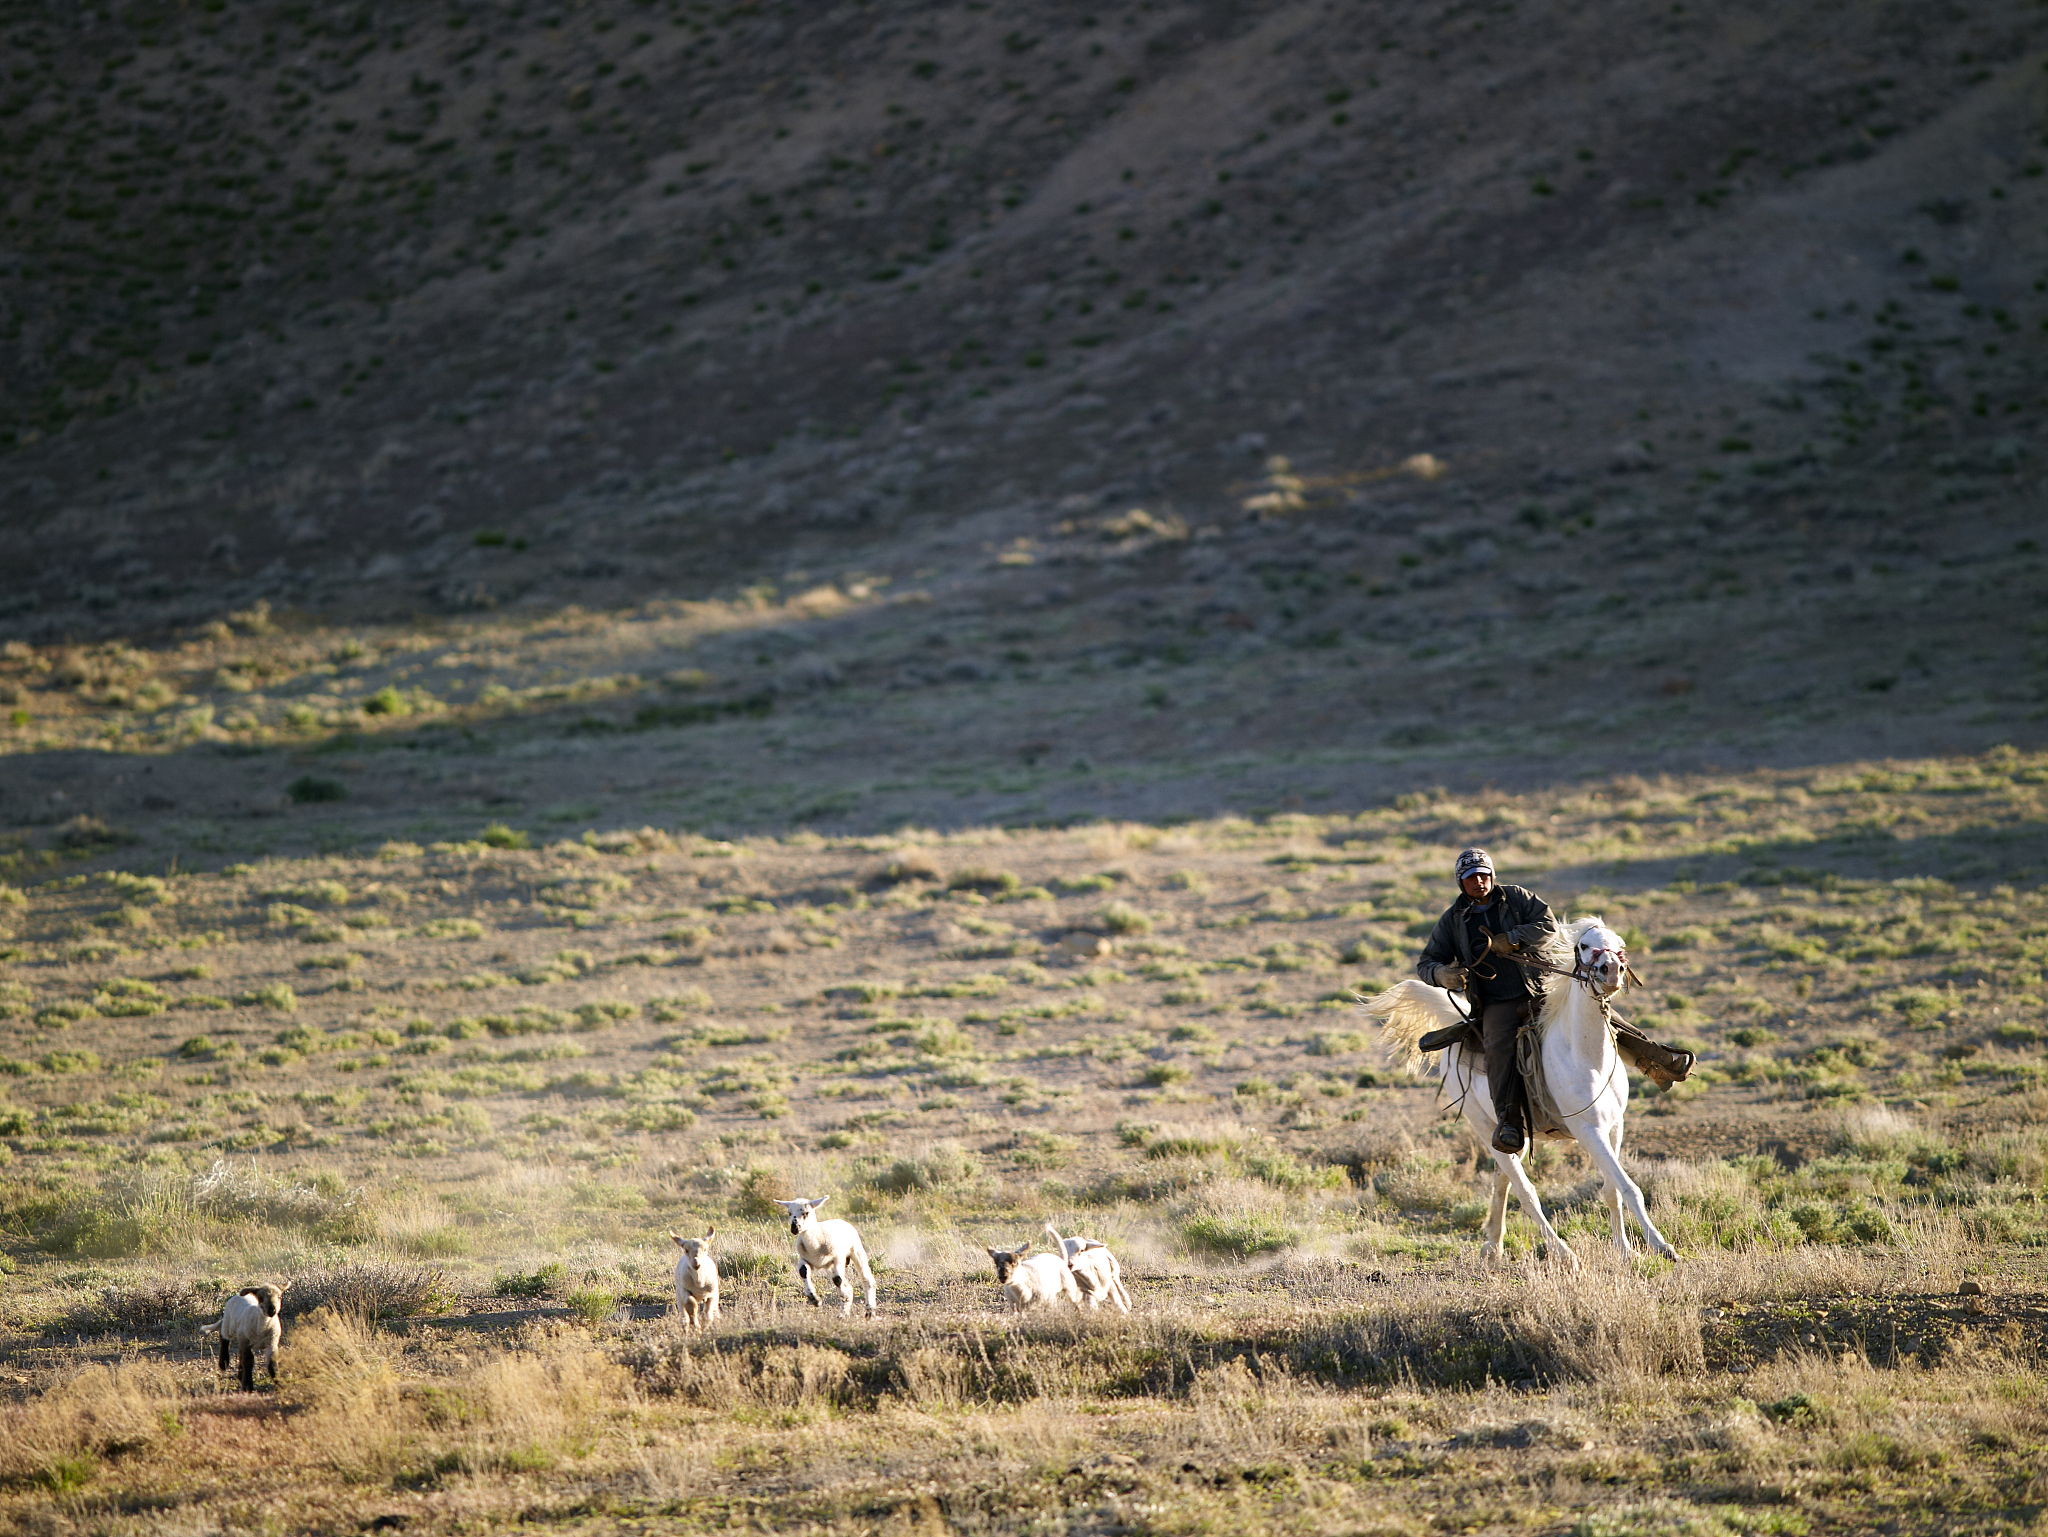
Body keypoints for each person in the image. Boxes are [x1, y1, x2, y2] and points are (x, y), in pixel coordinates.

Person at [1416, 847, 1694, 1156]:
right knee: (1498, 1049)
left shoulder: (1517, 897)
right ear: (1461, 883)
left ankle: (1660, 1061)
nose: (1479, 882)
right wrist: (1443, 975)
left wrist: (1514, 937)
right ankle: (1509, 1123)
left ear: (1492, 876)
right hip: (1496, 1002)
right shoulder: (1452, 921)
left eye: (1483, 875)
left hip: (1541, 989)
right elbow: (1426, 963)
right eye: (1471, 878)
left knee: (1602, 1016)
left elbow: (1548, 926)